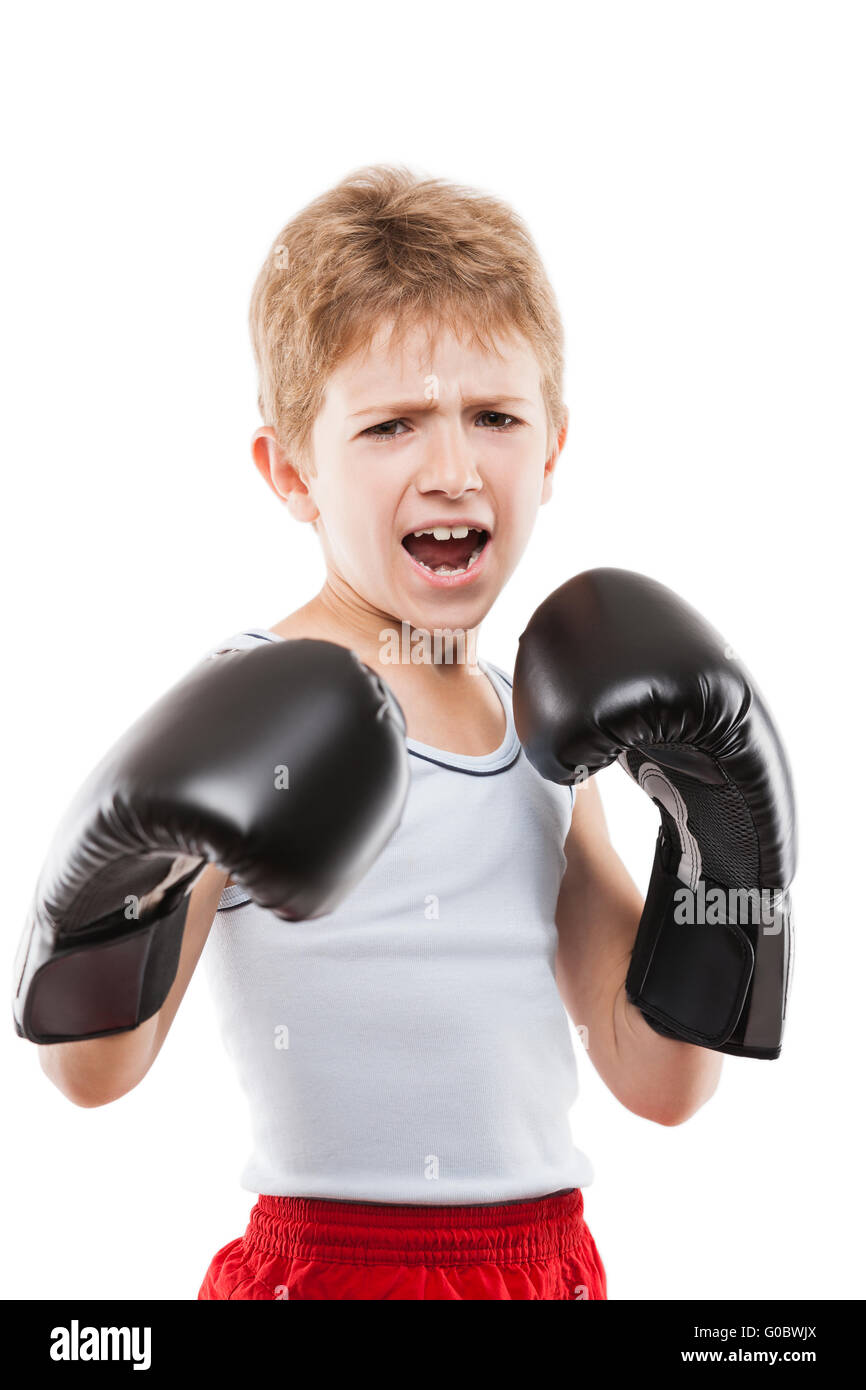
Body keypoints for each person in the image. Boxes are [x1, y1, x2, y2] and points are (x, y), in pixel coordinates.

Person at [15, 165, 794, 1301]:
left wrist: (727, 843)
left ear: (551, 450)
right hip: (327, 1269)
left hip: (543, 1268)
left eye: (493, 416)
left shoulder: (549, 726)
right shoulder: (253, 710)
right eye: (390, 424)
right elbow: (94, 1071)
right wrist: (125, 866)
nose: (450, 467)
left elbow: (659, 1081)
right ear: (291, 470)